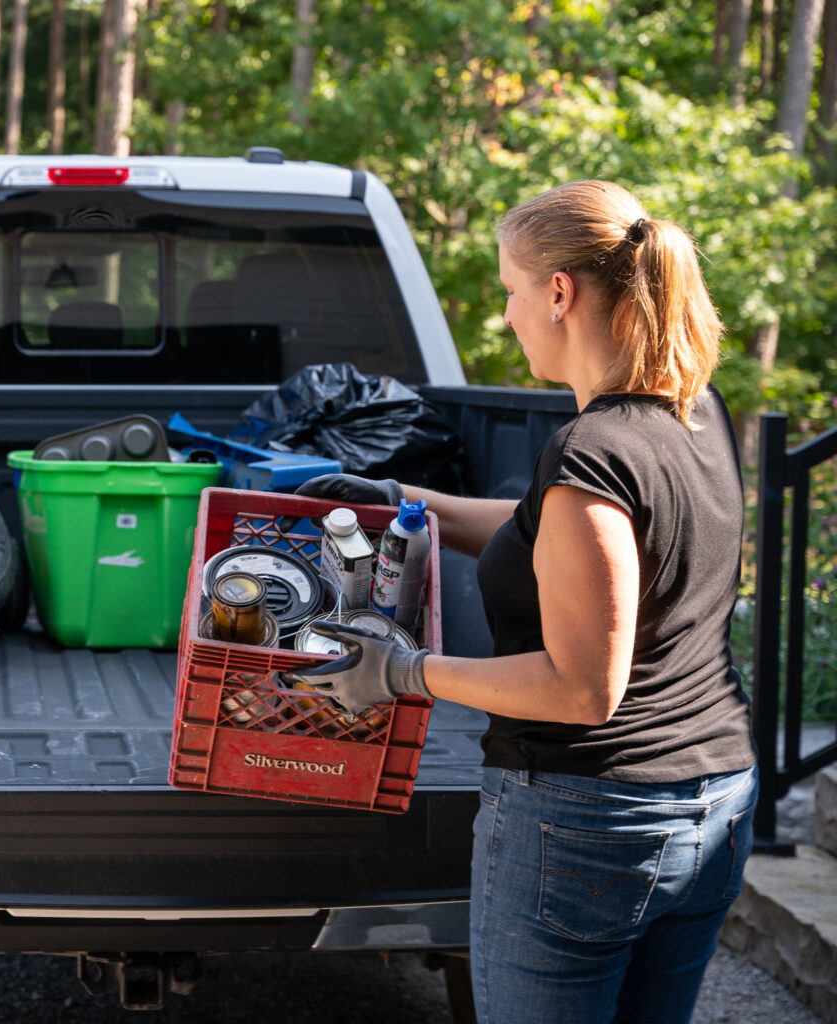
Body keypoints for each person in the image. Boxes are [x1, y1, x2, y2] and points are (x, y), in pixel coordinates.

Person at [299, 180, 758, 1024]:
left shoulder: (591, 454)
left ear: (560, 293)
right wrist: (405, 496)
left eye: (512, 292)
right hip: (712, 798)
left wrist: (404, 672)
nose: (508, 316)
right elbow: (547, 533)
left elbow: (583, 689)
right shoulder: (695, 417)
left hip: (586, 824)